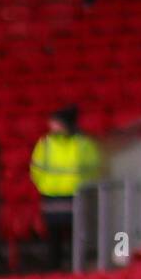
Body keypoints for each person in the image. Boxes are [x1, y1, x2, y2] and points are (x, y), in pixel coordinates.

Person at [29, 106, 101, 270]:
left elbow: (93, 168)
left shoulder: (83, 144)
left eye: (56, 123)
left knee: (76, 234)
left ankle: (77, 268)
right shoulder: (45, 144)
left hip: (75, 194)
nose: (52, 126)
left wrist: (82, 186)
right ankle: (54, 269)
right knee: (53, 235)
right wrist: (43, 185)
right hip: (51, 194)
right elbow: (36, 168)